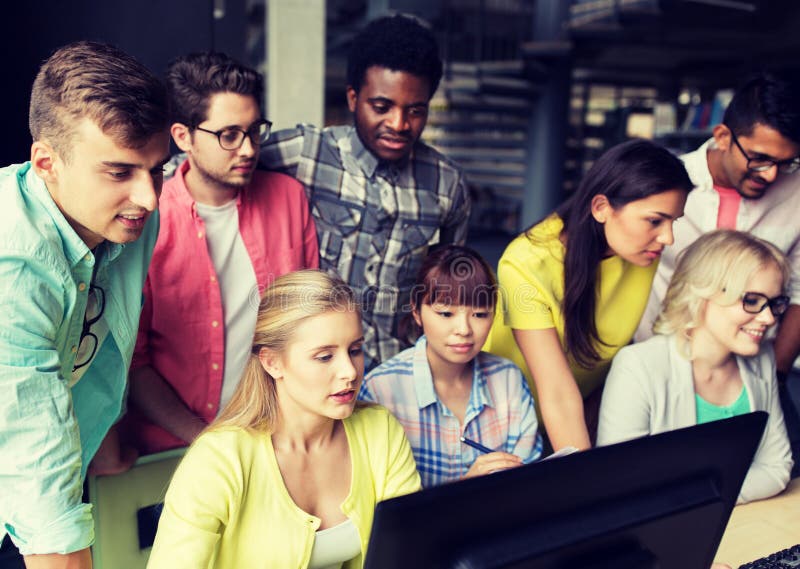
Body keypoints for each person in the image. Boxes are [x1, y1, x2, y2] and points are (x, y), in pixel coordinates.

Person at [0, 42, 170, 568]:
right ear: (46, 163)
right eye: (120, 172)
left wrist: (108, 429)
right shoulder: (13, 267)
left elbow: (96, 334)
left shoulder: (129, 219)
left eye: (157, 169)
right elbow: (32, 446)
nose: (149, 198)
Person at [147, 270, 421, 568]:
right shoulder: (219, 458)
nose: (350, 371)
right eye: (324, 356)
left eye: (354, 350)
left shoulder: (379, 430)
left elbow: (409, 552)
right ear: (272, 362)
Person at [122, 52, 318, 455]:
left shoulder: (288, 199)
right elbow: (132, 362)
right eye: (229, 135)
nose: (247, 149)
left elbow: (309, 323)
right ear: (182, 137)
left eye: (254, 130)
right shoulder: (146, 221)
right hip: (174, 454)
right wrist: (208, 442)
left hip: (274, 443)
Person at [258, 14, 470, 370]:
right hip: (311, 376)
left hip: (398, 376)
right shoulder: (308, 152)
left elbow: (449, 292)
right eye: (382, 107)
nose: (399, 124)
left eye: (415, 111)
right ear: (354, 98)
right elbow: (204, 163)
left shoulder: (448, 186)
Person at [633, 71, 800, 473]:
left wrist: (772, 375)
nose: (771, 175)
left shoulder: (797, 194)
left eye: (786, 161)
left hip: (754, 375)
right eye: (760, 158)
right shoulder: (666, 181)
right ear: (723, 136)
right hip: (658, 370)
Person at [484, 139, 693, 452]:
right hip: (503, 425)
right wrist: (584, 478)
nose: (667, 237)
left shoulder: (640, 250)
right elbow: (555, 390)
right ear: (601, 208)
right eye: (655, 221)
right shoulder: (526, 263)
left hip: (577, 417)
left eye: (673, 221)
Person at [599, 230, 793, 504]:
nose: (768, 318)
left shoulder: (762, 359)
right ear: (702, 294)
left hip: (744, 523)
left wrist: (700, 498)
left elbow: (776, 468)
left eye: (775, 304)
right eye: (751, 301)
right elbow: (620, 484)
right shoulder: (637, 366)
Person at [360, 245, 542, 487]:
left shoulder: (508, 380)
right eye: (446, 314)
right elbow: (376, 499)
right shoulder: (379, 390)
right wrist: (466, 488)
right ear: (416, 312)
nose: (464, 330)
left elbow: (529, 482)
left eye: (479, 314)